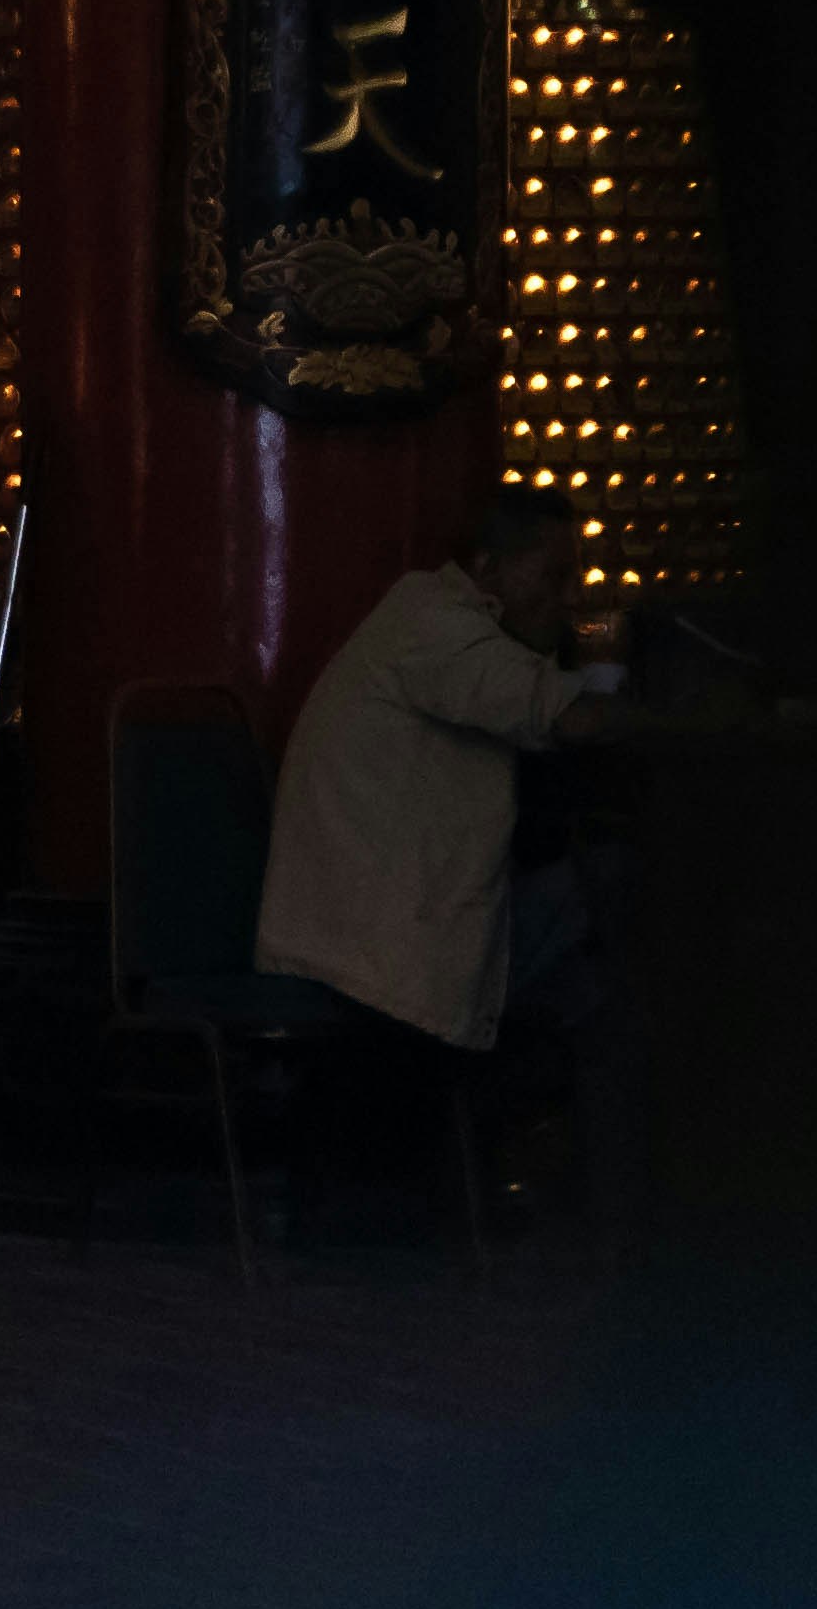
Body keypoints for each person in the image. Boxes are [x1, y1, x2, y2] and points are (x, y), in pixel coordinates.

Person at [256, 484, 640, 1227]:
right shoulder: (436, 627)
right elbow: (551, 711)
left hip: (391, 923)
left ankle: (583, 1195)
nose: (565, 599)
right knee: (615, 890)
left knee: (602, 997)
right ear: (489, 570)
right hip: (386, 940)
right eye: (552, 576)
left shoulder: (436, 626)